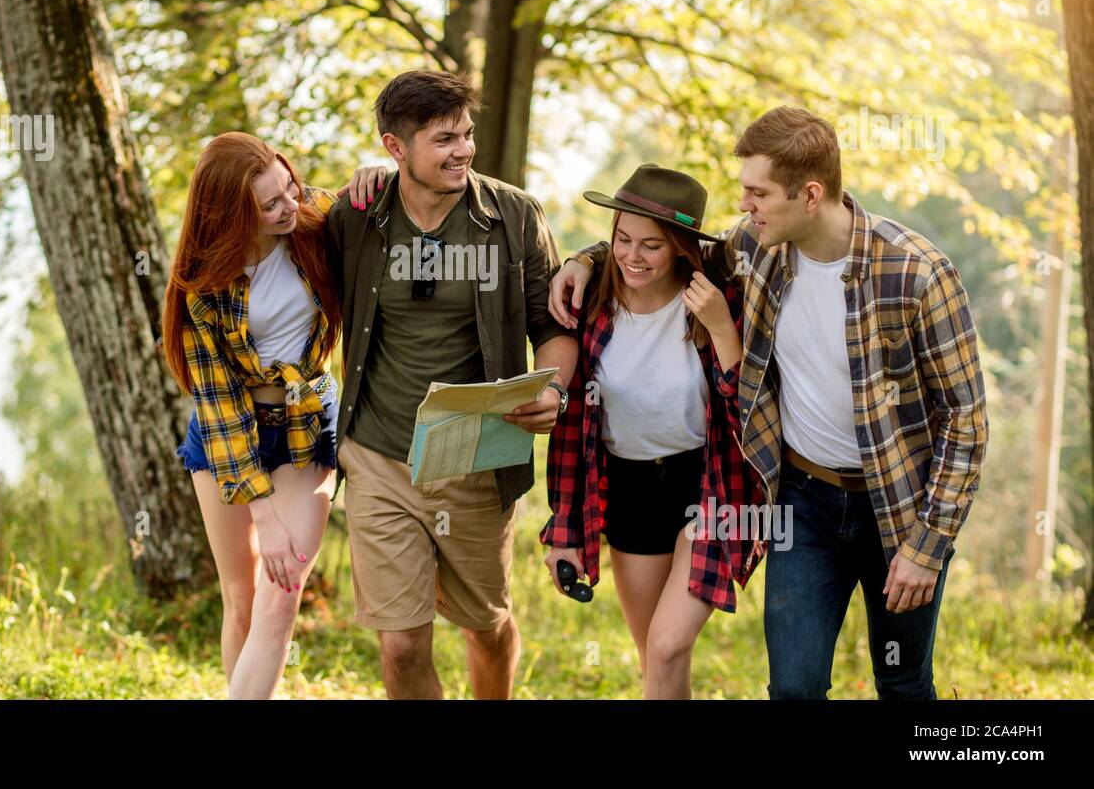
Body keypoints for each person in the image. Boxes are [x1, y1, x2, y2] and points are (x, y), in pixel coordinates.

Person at [548, 106, 988, 699]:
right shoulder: (756, 250)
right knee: (794, 688)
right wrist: (585, 259)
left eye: (757, 193)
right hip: (802, 502)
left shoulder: (915, 273)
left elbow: (967, 421)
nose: (744, 207)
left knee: (904, 681)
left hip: (898, 506)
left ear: (809, 195)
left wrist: (927, 546)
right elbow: (655, 251)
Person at [325, 69, 578, 699]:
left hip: (476, 457)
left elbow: (554, 324)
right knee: (404, 644)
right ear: (395, 148)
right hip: (378, 455)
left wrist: (554, 392)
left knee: (484, 625)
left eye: (465, 134)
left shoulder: (513, 216)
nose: (462, 149)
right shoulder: (356, 218)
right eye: (442, 139)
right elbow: (278, 232)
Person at [162, 131, 384, 699]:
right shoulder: (204, 288)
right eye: (271, 204)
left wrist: (376, 168)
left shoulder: (312, 224)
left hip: (307, 429)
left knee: (279, 598)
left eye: (290, 188)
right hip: (228, 435)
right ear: (234, 215)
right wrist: (263, 514)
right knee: (240, 601)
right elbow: (219, 404)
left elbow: (382, 189)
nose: (291, 206)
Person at [541, 165, 765, 699]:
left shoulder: (718, 299)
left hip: (708, 487)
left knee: (668, 645)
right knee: (657, 662)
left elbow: (750, 415)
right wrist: (566, 530)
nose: (633, 256)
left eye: (652, 246)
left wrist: (720, 328)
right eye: (622, 240)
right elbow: (574, 433)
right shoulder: (591, 305)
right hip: (628, 489)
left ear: (683, 250)